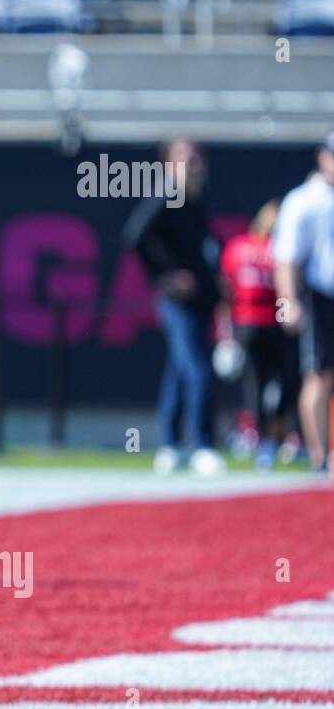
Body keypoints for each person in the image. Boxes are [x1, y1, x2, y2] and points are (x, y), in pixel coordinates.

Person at [122, 139, 227, 477]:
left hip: (201, 300)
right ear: (168, 164)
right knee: (198, 370)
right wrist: (166, 278)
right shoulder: (168, 194)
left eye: (196, 158)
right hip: (177, 303)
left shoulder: (199, 198)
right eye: (184, 158)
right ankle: (203, 446)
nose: (192, 164)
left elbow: (200, 249)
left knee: (179, 372)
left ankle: (169, 445)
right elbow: (134, 236)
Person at [219, 200, 297, 470]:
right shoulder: (256, 249)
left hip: (266, 323)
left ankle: (273, 436)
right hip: (258, 322)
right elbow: (228, 291)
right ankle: (264, 437)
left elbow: (226, 292)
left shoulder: (244, 247)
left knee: (273, 382)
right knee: (262, 382)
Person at [273, 133, 334, 473]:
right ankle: (319, 455)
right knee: (319, 375)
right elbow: (287, 259)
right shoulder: (304, 201)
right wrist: (288, 302)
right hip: (319, 295)